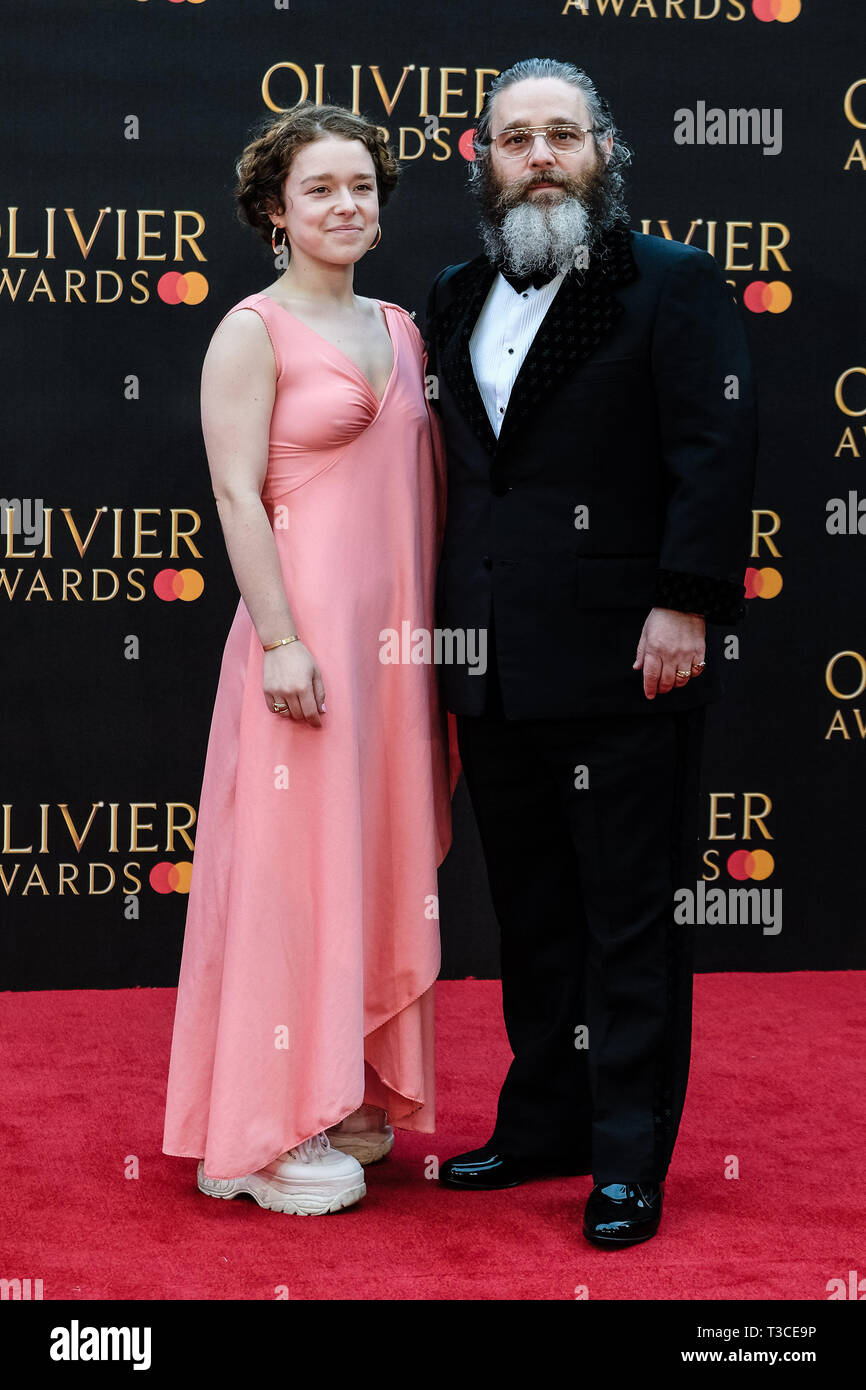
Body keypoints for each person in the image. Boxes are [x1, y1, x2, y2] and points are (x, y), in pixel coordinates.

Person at [424, 58, 757, 1245]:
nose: (541, 155)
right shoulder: (455, 291)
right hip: (496, 663)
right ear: (483, 157)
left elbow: (714, 454)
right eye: (517, 137)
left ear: (602, 151)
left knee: (627, 916)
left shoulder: (668, 283)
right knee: (532, 910)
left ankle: (625, 1158)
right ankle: (545, 1120)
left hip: (628, 658)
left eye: (563, 134)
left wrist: (682, 603)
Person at [162, 103, 454, 1215]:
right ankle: (266, 1125)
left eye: (363, 187)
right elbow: (237, 492)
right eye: (321, 188)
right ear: (274, 211)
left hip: (392, 654)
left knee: (370, 855)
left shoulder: (401, 324)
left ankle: (346, 1085)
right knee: (294, 869)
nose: (346, 205)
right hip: (302, 649)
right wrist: (280, 638)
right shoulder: (250, 328)